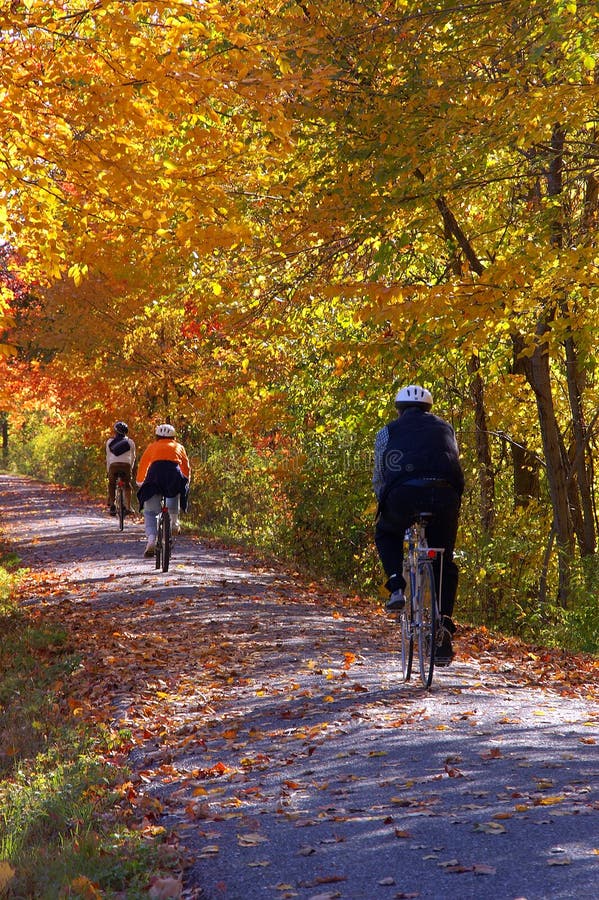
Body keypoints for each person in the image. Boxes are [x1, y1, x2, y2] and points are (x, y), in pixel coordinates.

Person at [372, 385, 464, 666]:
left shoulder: (387, 431)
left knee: (387, 532)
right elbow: (454, 462)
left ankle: (397, 586)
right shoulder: (446, 428)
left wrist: (383, 501)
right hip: (445, 494)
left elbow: (379, 471)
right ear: (429, 408)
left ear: (399, 409)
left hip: (404, 492)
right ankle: (444, 626)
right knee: (443, 559)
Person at [136, 423, 191, 557]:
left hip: (155, 476)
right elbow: (186, 466)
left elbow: (143, 464)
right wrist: (186, 479)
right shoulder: (179, 447)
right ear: (174, 437)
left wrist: (140, 482)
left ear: (157, 436)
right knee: (175, 490)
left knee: (150, 512)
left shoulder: (152, 447)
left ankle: (151, 540)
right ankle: (174, 521)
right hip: (173, 475)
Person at [105, 421, 136, 515]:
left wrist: (108, 470)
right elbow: (133, 457)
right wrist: (130, 468)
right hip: (126, 466)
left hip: (113, 466)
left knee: (111, 483)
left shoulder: (110, 442)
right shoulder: (130, 442)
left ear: (115, 431)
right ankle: (128, 506)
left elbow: (108, 457)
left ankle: (112, 504)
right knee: (127, 485)